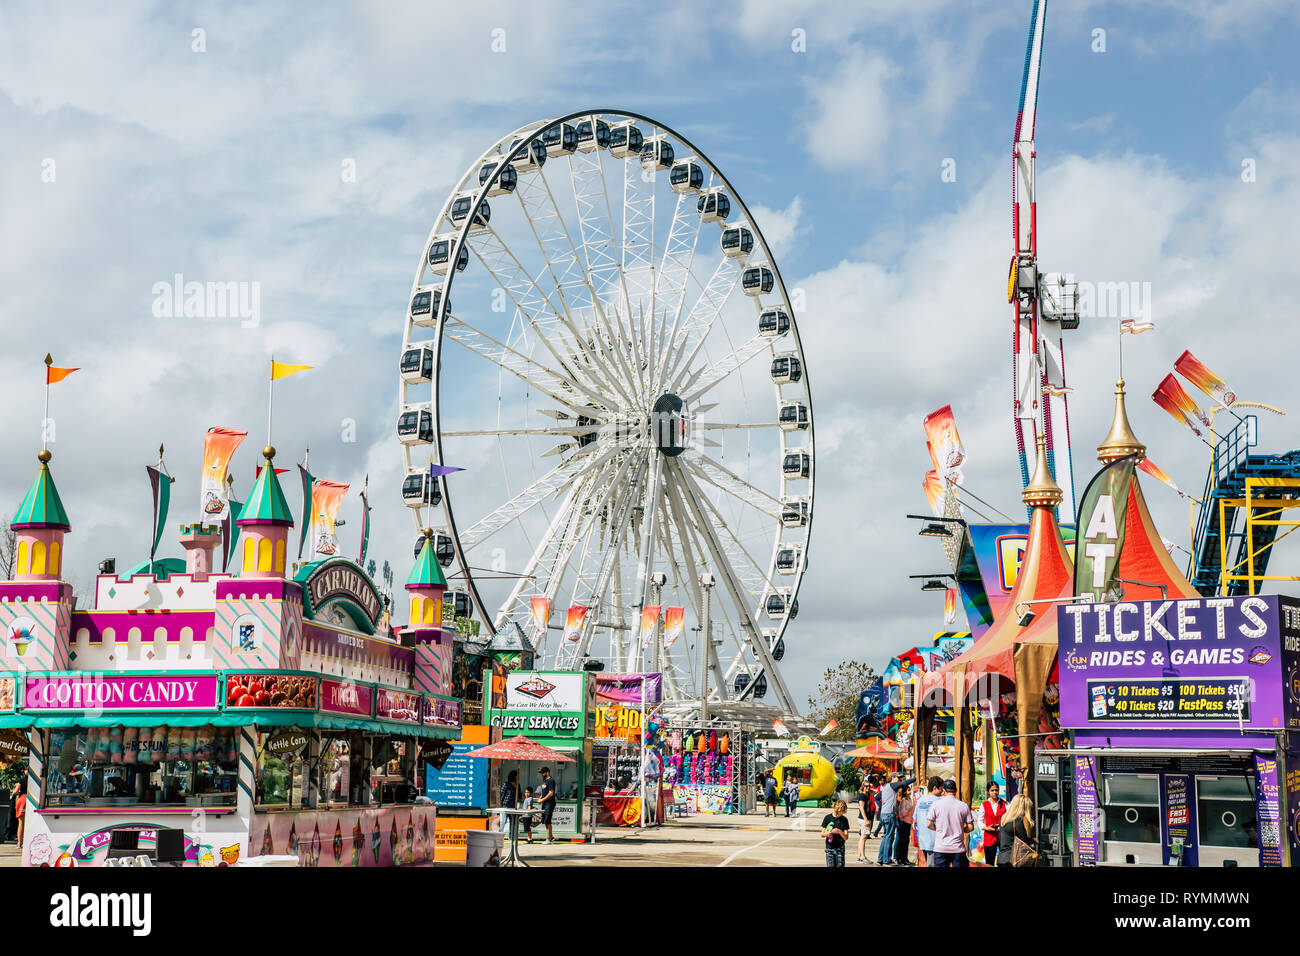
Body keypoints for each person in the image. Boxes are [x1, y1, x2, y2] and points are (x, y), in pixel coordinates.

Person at [926, 779, 973, 867]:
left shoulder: (936, 805)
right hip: (958, 849)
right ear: (956, 790)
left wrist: (938, 828)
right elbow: (970, 827)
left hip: (941, 848)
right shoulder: (963, 806)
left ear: (943, 790)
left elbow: (928, 824)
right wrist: (960, 829)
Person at [875, 771, 916, 865]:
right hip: (889, 814)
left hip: (884, 813)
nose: (900, 780)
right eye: (898, 778)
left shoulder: (885, 787)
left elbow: (876, 797)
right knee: (889, 837)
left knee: (886, 837)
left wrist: (882, 806)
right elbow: (903, 783)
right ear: (893, 778)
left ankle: (880, 859)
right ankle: (887, 860)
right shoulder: (892, 785)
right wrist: (915, 779)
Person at [997, 793, 1037, 867]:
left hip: (1001, 859)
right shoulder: (1018, 822)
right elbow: (1024, 842)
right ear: (1022, 807)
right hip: (1012, 860)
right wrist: (1034, 840)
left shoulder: (1004, 819)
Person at [913, 777, 943, 868]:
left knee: (928, 863)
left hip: (923, 840)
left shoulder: (920, 800)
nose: (942, 791)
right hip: (935, 841)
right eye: (941, 788)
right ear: (935, 788)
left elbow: (915, 820)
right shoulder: (940, 802)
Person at [980, 782, 1008, 866]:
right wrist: (986, 828)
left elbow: (1010, 817)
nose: (995, 792)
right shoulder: (984, 804)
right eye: (992, 790)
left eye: (996, 790)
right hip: (989, 836)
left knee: (1005, 860)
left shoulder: (1004, 803)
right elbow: (979, 821)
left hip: (1002, 836)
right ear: (988, 792)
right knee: (989, 862)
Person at [821, 799, 851, 867]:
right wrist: (828, 834)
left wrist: (839, 831)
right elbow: (822, 834)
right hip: (829, 848)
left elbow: (846, 837)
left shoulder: (844, 820)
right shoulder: (827, 818)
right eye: (841, 812)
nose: (842, 814)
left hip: (840, 848)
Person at [894, 781, 914, 865]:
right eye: (909, 790)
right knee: (902, 841)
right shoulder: (904, 800)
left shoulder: (910, 799)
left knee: (906, 842)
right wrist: (910, 809)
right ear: (905, 792)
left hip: (909, 822)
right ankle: (900, 858)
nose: (910, 792)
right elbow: (902, 812)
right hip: (904, 822)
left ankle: (905, 858)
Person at [536, 767, 557, 844]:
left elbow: (551, 793)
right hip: (545, 803)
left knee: (548, 821)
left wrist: (542, 799)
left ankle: (548, 839)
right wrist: (541, 797)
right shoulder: (545, 781)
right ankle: (550, 836)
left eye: (543, 773)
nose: (541, 774)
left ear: (547, 772)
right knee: (545, 820)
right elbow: (545, 791)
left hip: (549, 803)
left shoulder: (551, 780)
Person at [855, 779, 874, 863]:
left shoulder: (867, 794)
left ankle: (859, 857)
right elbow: (861, 808)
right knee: (864, 837)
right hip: (863, 819)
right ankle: (862, 857)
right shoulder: (862, 796)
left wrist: (870, 789)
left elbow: (875, 791)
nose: (868, 788)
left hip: (865, 818)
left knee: (863, 837)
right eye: (866, 786)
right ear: (863, 787)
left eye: (869, 786)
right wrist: (866, 820)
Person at [12, 782, 26, 851]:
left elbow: (15, 791)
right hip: (32, 799)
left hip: (23, 800)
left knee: (21, 822)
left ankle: (19, 842)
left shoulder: (22, 780)